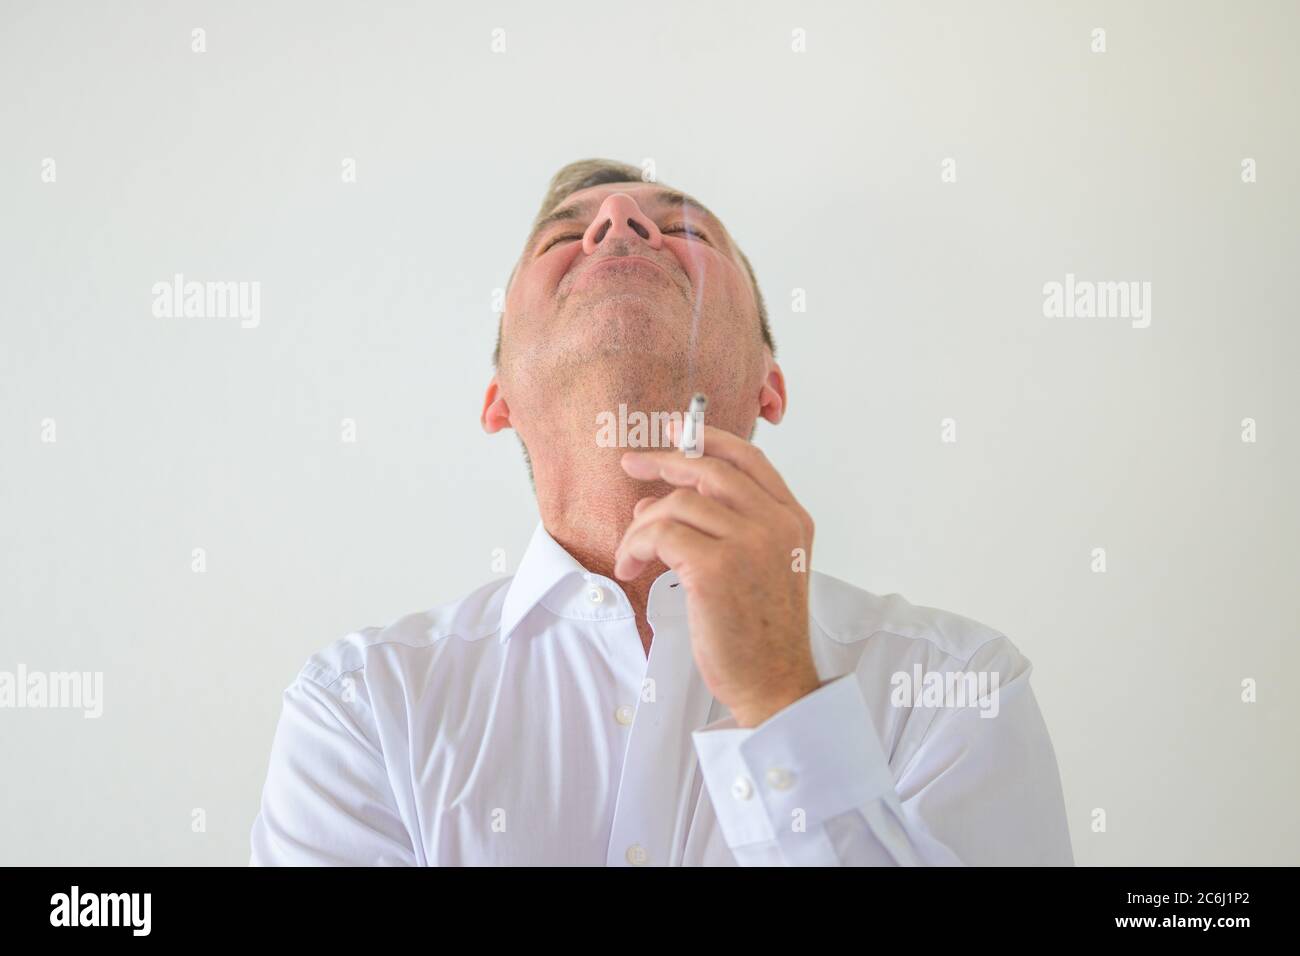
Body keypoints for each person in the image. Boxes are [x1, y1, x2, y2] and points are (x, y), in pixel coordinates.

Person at [249, 159, 1073, 866]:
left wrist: (785, 701)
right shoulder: (361, 709)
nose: (617, 219)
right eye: (561, 237)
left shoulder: (959, 690)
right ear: (499, 398)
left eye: (685, 232)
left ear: (769, 387)